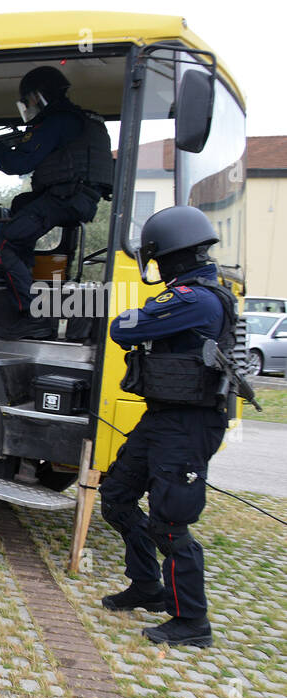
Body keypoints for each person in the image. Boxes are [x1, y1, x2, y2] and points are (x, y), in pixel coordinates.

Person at [99, 206, 239, 649]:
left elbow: (123, 328)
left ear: (173, 255)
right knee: (117, 495)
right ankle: (147, 586)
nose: (154, 266)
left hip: (189, 423)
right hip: (164, 415)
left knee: (171, 522)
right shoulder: (193, 293)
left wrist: (138, 320)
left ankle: (192, 620)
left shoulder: (195, 299)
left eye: (157, 257)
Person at [0, 66, 114, 316]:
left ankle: (29, 314)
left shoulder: (58, 121)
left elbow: (19, 164)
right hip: (79, 198)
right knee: (21, 204)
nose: (28, 105)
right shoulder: (83, 119)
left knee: (2, 248)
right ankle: (27, 289)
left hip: (65, 198)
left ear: (37, 96)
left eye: (28, 100)